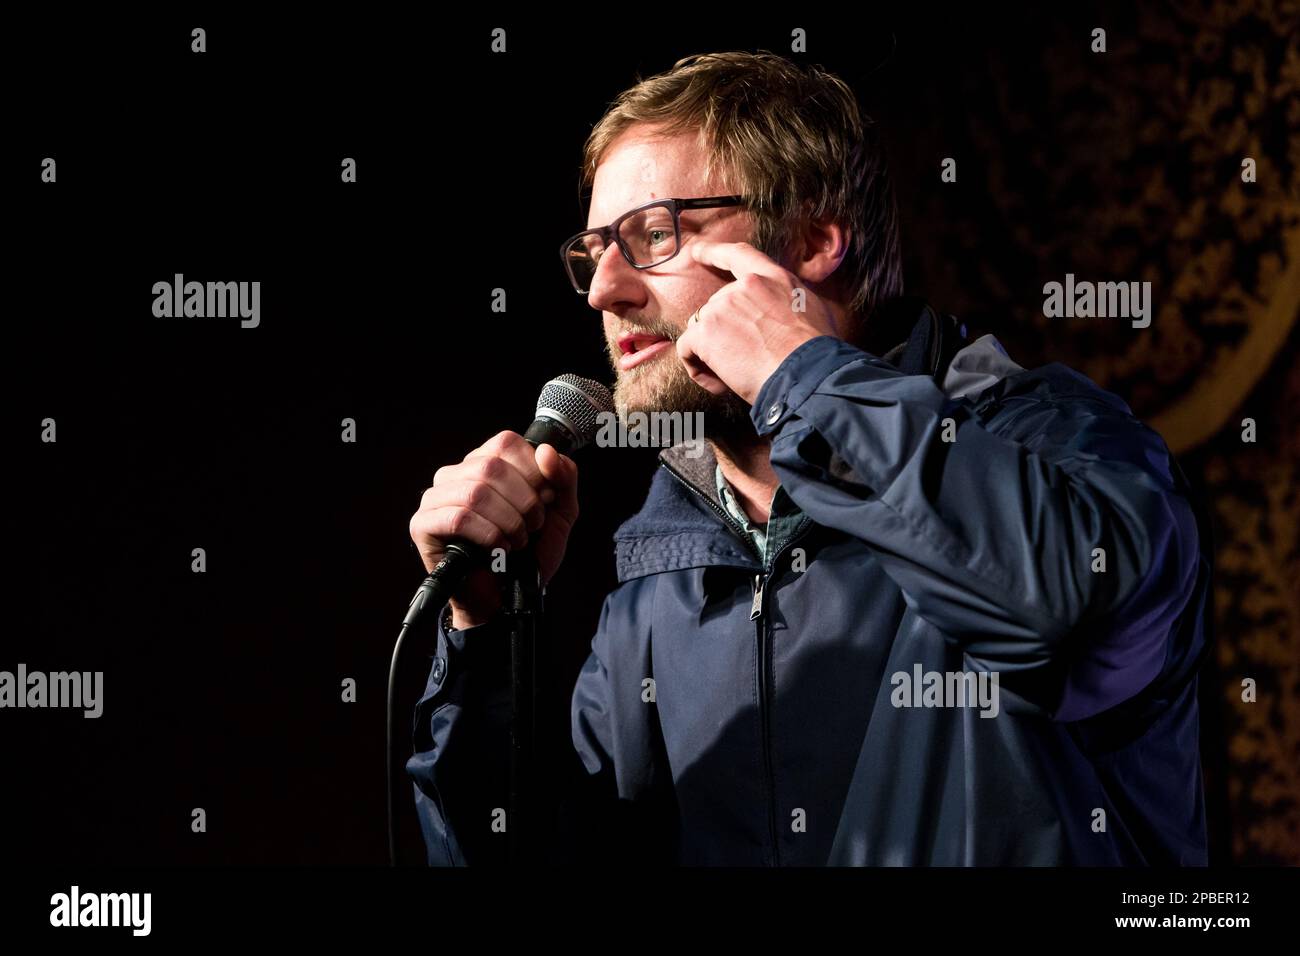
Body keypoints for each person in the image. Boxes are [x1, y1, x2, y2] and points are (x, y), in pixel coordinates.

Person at [406, 51, 1211, 866]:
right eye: (592, 252)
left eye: (654, 235)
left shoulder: (1054, 440)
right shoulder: (661, 572)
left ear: (816, 240)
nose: (602, 290)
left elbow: (1076, 625)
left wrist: (804, 379)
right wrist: (487, 638)